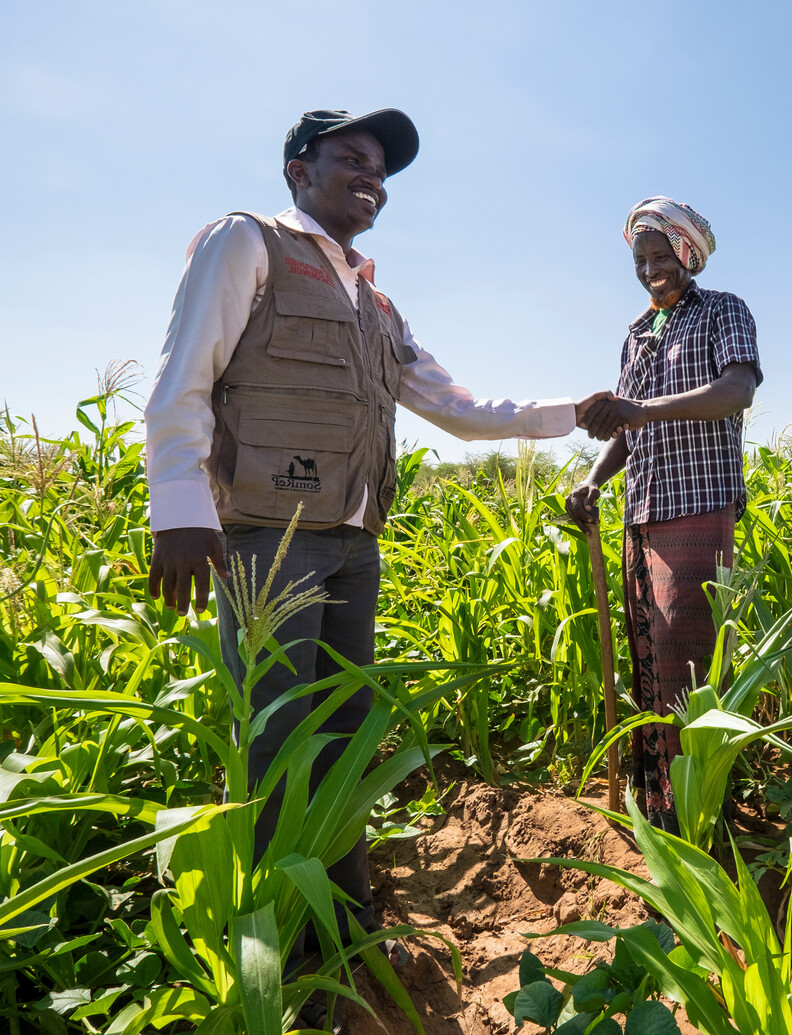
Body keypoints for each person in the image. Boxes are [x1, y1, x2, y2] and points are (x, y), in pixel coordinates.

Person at [144, 108, 610, 978]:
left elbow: (461, 410)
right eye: (350, 158)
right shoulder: (247, 245)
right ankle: (284, 947)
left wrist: (574, 414)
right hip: (269, 538)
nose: (372, 177)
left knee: (348, 729)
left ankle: (349, 917)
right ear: (297, 169)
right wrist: (178, 506)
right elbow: (183, 376)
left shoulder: (377, 303)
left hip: (355, 547)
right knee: (279, 735)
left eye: (382, 169)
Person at [568, 197, 763, 834]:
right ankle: (661, 807)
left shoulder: (724, 312)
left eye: (661, 255)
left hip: (697, 508)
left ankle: (703, 812)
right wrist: (592, 481)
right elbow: (626, 430)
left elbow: (736, 391)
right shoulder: (635, 335)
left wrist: (640, 410)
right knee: (648, 659)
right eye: (640, 258)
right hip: (641, 516)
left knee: (691, 667)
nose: (651, 267)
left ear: (689, 254)